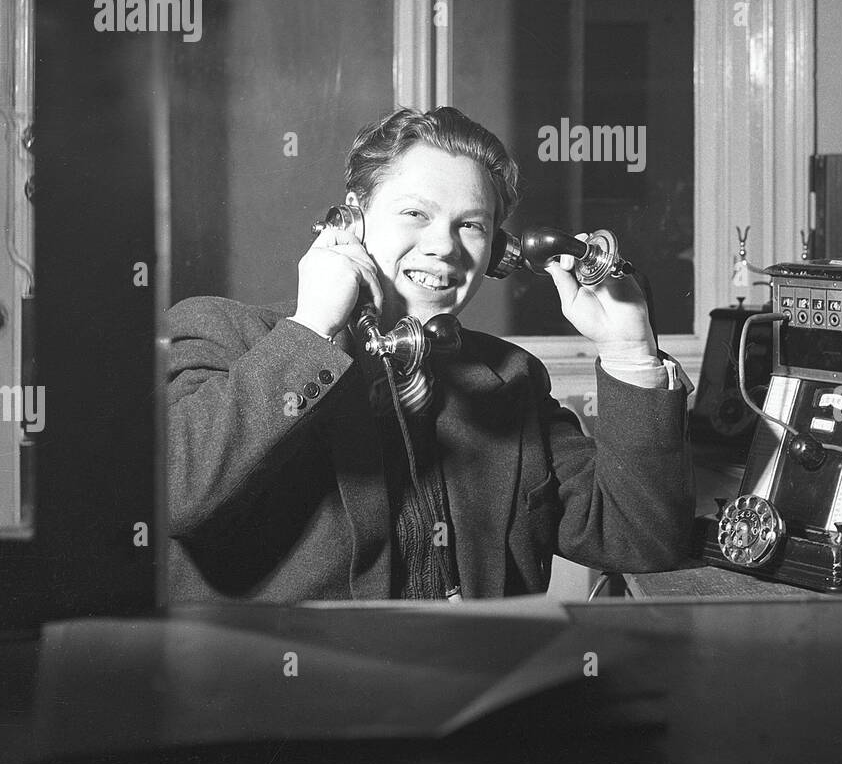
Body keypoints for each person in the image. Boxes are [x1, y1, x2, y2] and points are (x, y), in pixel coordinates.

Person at [166, 106, 693, 602]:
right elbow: (173, 495)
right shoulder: (224, 334)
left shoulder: (510, 380)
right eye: (416, 212)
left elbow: (641, 540)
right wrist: (312, 330)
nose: (444, 246)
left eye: (472, 224)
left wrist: (629, 351)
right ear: (352, 221)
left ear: (498, 253)